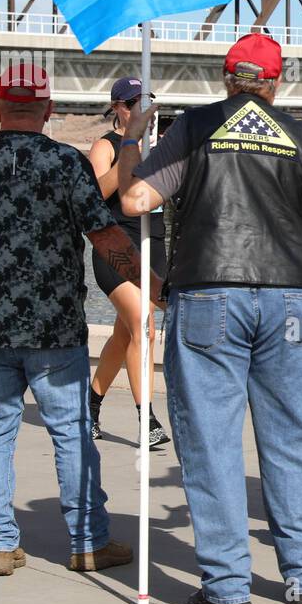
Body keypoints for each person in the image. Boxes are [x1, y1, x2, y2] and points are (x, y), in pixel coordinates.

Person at [118, 33, 302, 604]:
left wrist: (129, 139)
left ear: (228, 79)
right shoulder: (300, 137)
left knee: (211, 442)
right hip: (290, 300)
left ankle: (227, 588)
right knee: (292, 437)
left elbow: (134, 201)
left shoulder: (193, 128)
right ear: (275, 83)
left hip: (208, 293)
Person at [0, 64, 145, 578]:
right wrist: (151, 284)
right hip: (55, 325)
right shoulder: (66, 162)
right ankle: (86, 543)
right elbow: (105, 236)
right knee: (72, 432)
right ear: (48, 110)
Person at [85, 76, 171, 446]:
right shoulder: (105, 145)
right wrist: (128, 154)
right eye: (132, 101)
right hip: (115, 244)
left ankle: (90, 405)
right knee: (144, 326)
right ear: (117, 107)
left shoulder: (163, 146)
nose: (140, 106)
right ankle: (146, 418)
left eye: (145, 100)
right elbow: (95, 193)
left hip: (155, 243)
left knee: (126, 335)